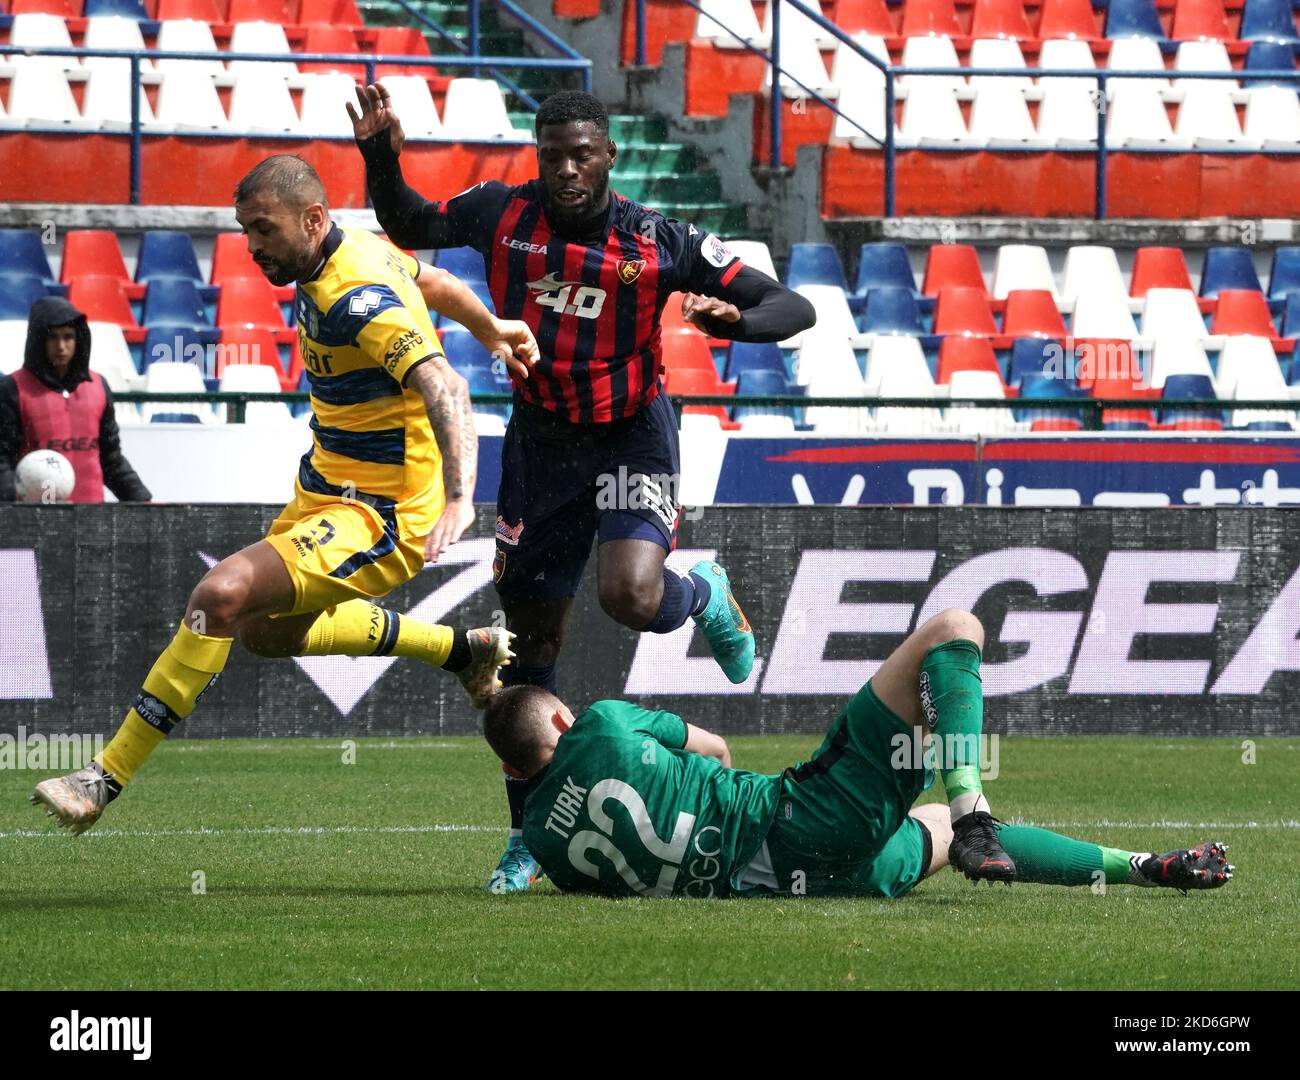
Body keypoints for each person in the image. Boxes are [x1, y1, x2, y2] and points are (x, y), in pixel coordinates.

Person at [350, 85, 818, 891]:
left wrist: (735, 324)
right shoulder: (501, 213)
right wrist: (380, 154)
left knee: (632, 596)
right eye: (553, 154)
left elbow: (793, 305)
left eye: (582, 154)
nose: (566, 169)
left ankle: (700, 591)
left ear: (608, 156)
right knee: (530, 655)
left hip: (631, 432)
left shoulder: (657, 238)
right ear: (540, 155)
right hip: (540, 444)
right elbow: (411, 225)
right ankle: (529, 836)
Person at [31, 154, 541, 836]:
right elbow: (435, 278)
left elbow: (444, 385)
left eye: (263, 229)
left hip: (384, 512)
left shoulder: (352, 293)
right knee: (267, 633)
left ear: (312, 219)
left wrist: (460, 497)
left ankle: (102, 778)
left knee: (218, 597)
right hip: (327, 486)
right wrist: (492, 326)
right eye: (246, 230)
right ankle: (460, 649)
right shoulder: (355, 246)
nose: (252, 246)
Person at [482, 609, 1234, 898]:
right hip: (803, 821)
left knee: (928, 826)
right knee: (954, 629)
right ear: (559, 716)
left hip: (805, 883)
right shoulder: (604, 723)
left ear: (515, 771)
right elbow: (714, 747)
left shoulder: (546, 844)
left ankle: (1141, 867)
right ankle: (977, 810)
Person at [0, 296, 151, 503]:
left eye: (68, 337)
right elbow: (2, 460)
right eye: (52, 337)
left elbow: (110, 460)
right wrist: (11, 512)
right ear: (38, 339)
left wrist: (142, 500)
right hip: (37, 521)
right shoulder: (12, 389)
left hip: (93, 520)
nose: (61, 346)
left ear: (79, 339)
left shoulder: (99, 386)